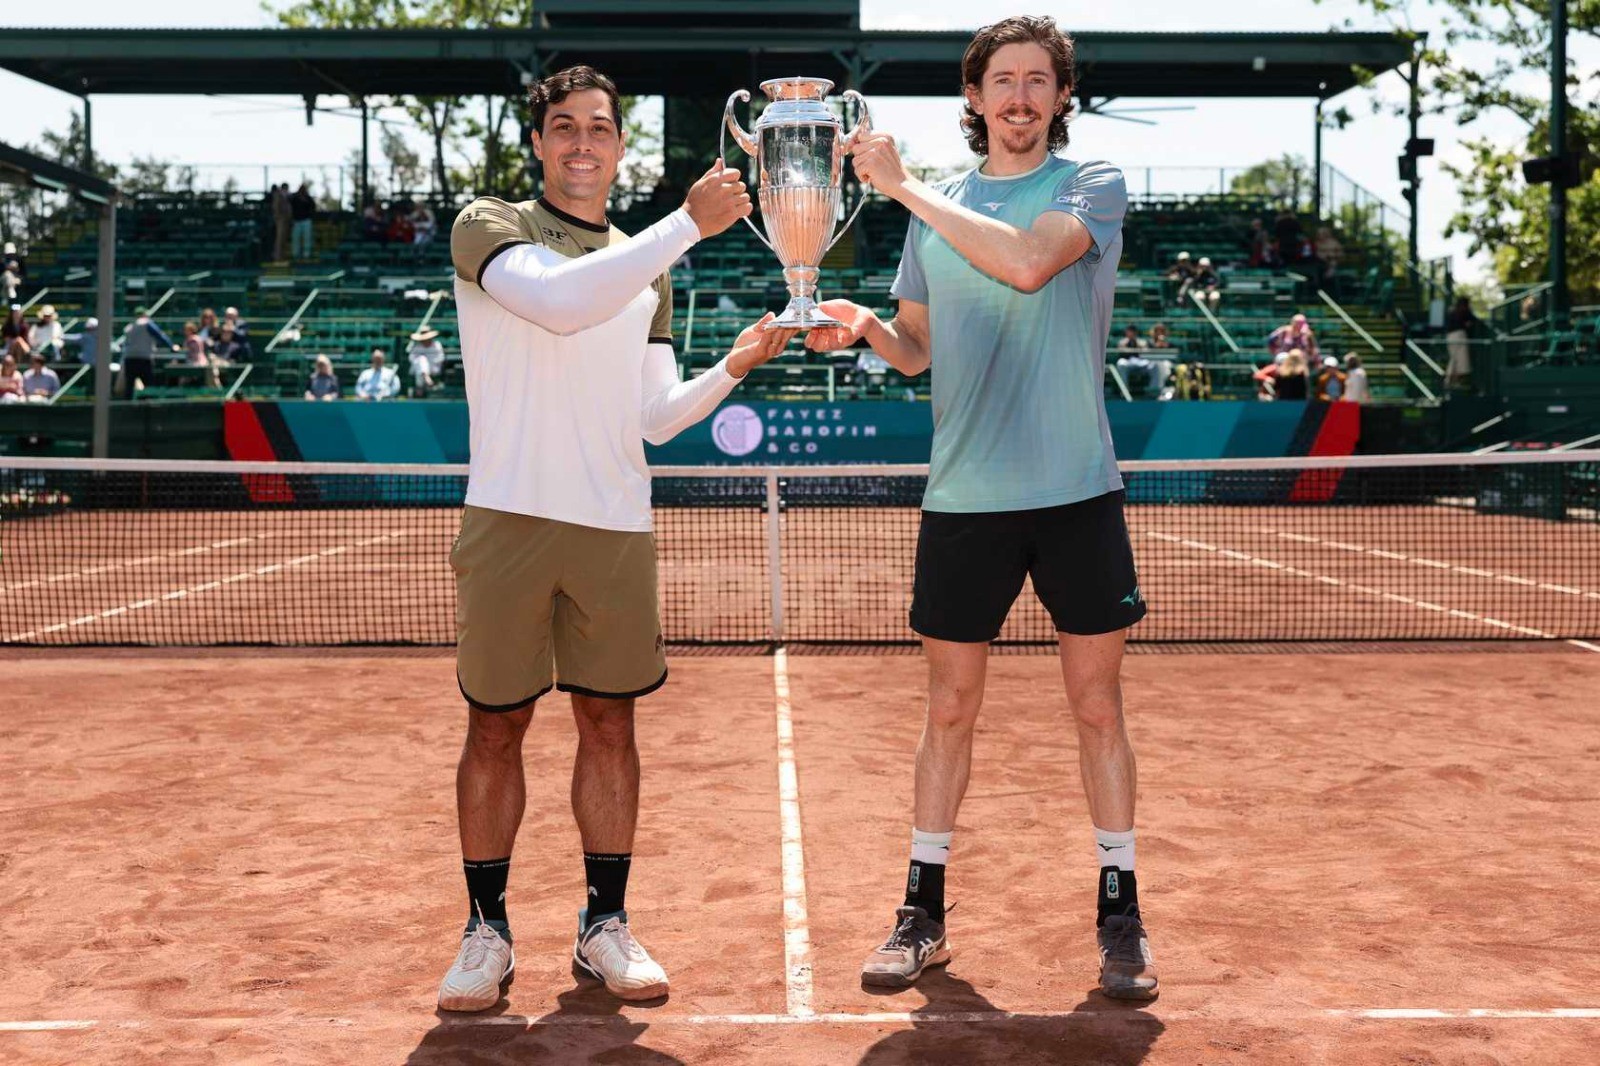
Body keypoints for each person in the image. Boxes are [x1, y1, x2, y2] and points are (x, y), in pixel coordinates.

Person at [803, 15, 1157, 1002]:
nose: (1018, 96)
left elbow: (1029, 263)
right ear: (973, 96)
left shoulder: (1089, 186)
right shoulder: (935, 212)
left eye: (1037, 80)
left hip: (1077, 492)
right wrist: (866, 326)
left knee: (1096, 708)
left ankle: (1120, 912)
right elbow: (920, 349)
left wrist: (903, 183)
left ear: (1058, 97)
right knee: (948, 709)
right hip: (964, 500)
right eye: (1001, 79)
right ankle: (923, 912)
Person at [434, 62, 784, 1015]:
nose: (582, 140)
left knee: (609, 723)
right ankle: (485, 932)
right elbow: (558, 301)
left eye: (599, 126)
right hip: (509, 517)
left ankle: (604, 927)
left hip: (616, 525)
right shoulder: (488, 223)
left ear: (620, 147)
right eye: (564, 126)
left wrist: (738, 362)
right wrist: (686, 224)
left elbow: (656, 418)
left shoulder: (646, 267)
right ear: (539, 143)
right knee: (495, 726)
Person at [120, 311, 178, 399]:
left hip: (129, 359)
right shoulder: (147, 323)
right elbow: (160, 336)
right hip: (143, 359)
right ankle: (148, 409)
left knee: (129, 387)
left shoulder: (129, 327)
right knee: (148, 386)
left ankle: (128, 409)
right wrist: (172, 346)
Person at [1445, 296, 1481, 389]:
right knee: (1459, 359)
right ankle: (1451, 381)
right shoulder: (1464, 310)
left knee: (1454, 358)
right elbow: (1474, 319)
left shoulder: (1452, 311)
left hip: (1450, 337)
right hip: (1459, 335)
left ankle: (1450, 381)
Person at [407, 326, 446, 396]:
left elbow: (441, 358)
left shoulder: (437, 345)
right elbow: (411, 359)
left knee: (421, 365)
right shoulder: (416, 346)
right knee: (421, 360)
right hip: (418, 368)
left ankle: (420, 388)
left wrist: (427, 362)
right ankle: (426, 378)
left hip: (433, 368)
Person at [290, 182, 316, 259]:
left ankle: (306, 254)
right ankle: (295, 254)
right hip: (296, 221)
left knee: (307, 238)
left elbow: (313, 208)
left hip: (306, 220)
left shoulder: (308, 198)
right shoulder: (294, 198)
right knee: (296, 238)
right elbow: (290, 208)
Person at [271, 182, 292, 262]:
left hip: (286, 219)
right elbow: (275, 207)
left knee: (283, 238)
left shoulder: (286, 196)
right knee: (279, 239)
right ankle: (277, 257)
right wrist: (278, 217)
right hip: (281, 219)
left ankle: (282, 256)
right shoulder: (278, 195)